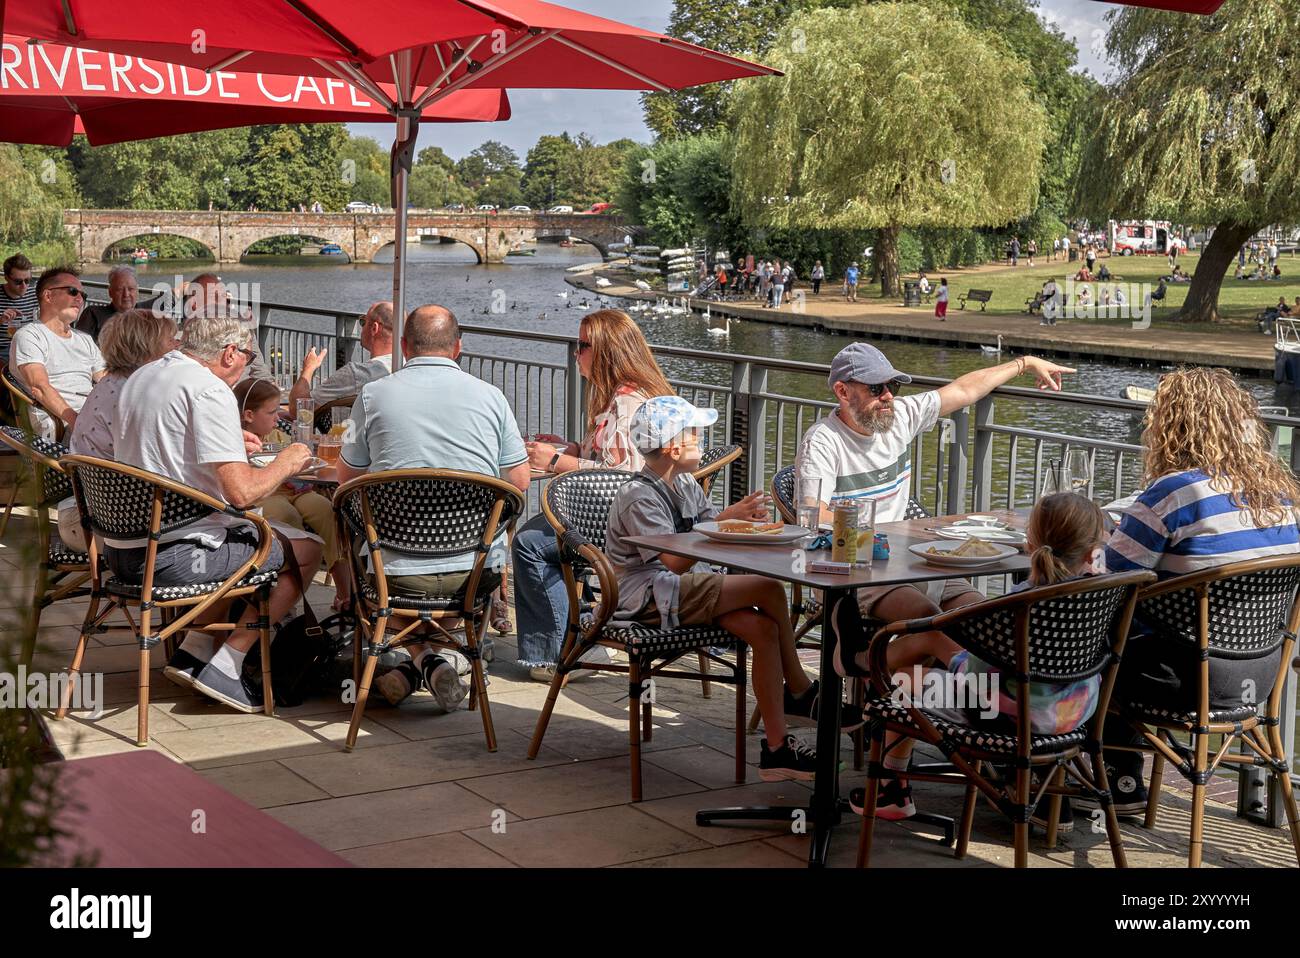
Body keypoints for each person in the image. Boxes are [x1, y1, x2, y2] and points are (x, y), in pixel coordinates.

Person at [797, 345, 1073, 800]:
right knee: (930, 622)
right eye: (877, 388)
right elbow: (812, 515)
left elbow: (964, 388)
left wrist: (1023, 364)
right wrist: (875, 529)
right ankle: (904, 763)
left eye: (893, 385)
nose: (889, 396)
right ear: (843, 392)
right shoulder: (822, 442)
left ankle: (964, 742)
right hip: (868, 572)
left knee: (985, 621)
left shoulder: (900, 415)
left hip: (925, 563)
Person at [606, 395, 862, 782]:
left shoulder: (686, 484)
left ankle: (776, 750)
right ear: (674, 447)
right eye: (695, 435)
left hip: (684, 588)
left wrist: (739, 522)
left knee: (762, 629)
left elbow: (709, 532)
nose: (702, 442)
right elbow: (670, 560)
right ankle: (799, 689)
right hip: (648, 595)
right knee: (770, 590)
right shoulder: (638, 496)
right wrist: (721, 524)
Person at [1092, 368, 1300, 816]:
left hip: (1180, 678)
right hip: (1259, 677)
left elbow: (1109, 580)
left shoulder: (1175, 492)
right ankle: (1121, 777)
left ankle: (1096, 782)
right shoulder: (1286, 496)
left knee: (1086, 641)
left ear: (1173, 425)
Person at [833, 492, 1109, 824]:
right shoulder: (1102, 593)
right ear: (1093, 548)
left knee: (913, 670)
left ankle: (889, 778)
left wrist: (950, 652)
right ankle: (864, 663)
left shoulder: (1021, 603)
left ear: (1030, 541)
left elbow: (977, 673)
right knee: (936, 642)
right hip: (1076, 712)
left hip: (1007, 718)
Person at [110, 315, 321, 713]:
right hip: (173, 556)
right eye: (247, 356)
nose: (246, 366)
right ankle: (227, 665)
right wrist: (290, 461)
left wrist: (224, 437)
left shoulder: (144, 375)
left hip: (124, 548)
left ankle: (195, 650)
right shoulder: (209, 390)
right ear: (229, 353)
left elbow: (166, 441)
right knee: (306, 549)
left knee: (235, 532)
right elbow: (242, 494)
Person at [336, 305, 530, 709]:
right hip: (474, 576)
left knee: (378, 570)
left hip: (395, 577)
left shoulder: (372, 396)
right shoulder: (492, 397)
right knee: (445, 586)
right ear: (458, 347)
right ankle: (436, 659)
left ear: (403, 347)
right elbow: (519, 482)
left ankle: (421, 661)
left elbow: (346, 480)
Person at [513, 309, 676, 680]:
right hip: (625, 516)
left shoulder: (628, 403)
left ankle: (565, 652)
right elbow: (609, 459)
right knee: (539, 538)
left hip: (620, 525)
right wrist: (570, 448)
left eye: (582, 346)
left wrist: (556, 461)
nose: (575, 354)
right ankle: (587, 630)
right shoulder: (627, 395)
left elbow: (624, 476)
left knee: (528, 544)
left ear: (606, 350)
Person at [55, 309, 178, 551]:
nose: (177, 345)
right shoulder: (135, 395)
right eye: (170, 339)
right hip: (114, 529)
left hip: (97, 516)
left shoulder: (114, 384)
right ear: (146, 346)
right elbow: (164, 466)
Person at [235, 378, 348, 609]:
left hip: (295, 489)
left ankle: (345, 593)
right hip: (264, 496)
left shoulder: (280, 436)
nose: (278, 417)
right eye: (271, 412)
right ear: (248, 415)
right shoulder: (238, 442)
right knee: (288, 516)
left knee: (327, 510)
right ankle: (288, 598)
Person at [9, 265, 106, 440]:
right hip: (59, 420)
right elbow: (40, 387)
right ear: (48, 295)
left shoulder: (84, 339)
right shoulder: (30, 336)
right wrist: (77, 421)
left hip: (93, 414)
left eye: (82, 295)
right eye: (72, 291)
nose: (80, 299)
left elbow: (106, 379)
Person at [289, 301, 394, 419]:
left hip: (351, 435)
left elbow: (298, 411)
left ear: (374, 328)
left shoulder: (357, 374)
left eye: (363, 322)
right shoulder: (407, 368)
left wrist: (308, 368)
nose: (361, 328)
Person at [181, 273, 272, 382]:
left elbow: (261, 373)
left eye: (224, 296)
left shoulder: (242, 329)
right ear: (194, 304)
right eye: (215, 297)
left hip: (243, 394)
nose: (223, 303)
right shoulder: (178, 339)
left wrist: (270, 390)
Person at [76, 265, 154, 340]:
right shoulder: (93, 314)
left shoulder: (146, 315)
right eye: (119, 290)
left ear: (137, 291)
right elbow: (79, 347)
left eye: (131, 289)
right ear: (110, 292)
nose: (126, 294)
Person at [0, 254, 38, 365]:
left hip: (28, 347)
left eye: (27, 281)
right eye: (18, 282)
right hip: (3, 350)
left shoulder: (35, 295)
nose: (24, 286)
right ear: (6, 277)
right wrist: (1, 320)